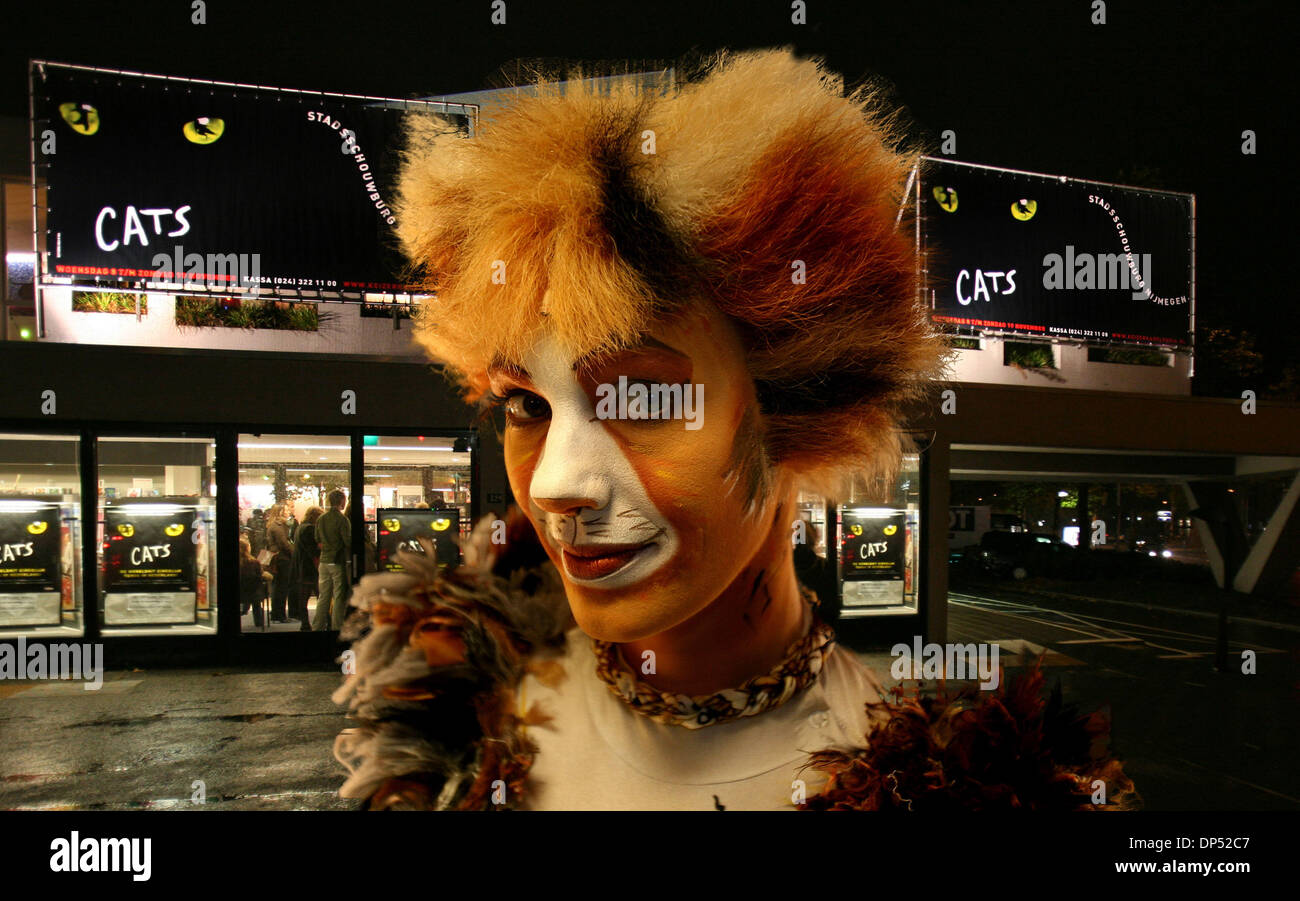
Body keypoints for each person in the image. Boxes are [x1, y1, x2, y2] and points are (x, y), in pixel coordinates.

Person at [332, 50, 1137, 811]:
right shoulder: (451, 715)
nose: (554, 485)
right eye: (527, 407)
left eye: (641, 399)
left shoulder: (950, 788)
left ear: (799, 408)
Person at [313, 490, 351, 631]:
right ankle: (336, 627)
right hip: (337, 561)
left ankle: (317, 626)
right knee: (338, 596)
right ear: (341, 501)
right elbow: (347, 541)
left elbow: (317, 539)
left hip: (324, 561)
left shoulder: (321, 519)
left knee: (324, 596)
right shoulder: (342, 520)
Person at [289, 506, 323, 631]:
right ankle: (320, 623)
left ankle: (305, 623)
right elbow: (313, 550)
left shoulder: (300, 528)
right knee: (321, 596)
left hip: (301, 567)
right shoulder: (310, 529)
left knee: (303, 598)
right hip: (309, 568)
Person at [265, 504, 295, 623]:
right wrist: (294, 553)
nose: (289, 512)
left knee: (278, 587)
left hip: (279, 558)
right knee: (281, 587)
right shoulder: (277, 526)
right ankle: (279, 615)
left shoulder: (277, 525)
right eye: (286, 510)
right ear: (280, 512)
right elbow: (284, 543)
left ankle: (277, 614)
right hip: (282, 559)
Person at [237, 537, 270, 629]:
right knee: (256, 598)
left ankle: (244, 609)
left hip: (240, 592)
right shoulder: (254, 562)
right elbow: (260, 576)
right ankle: (259, 622)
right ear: (247, 549)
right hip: (255, 593)